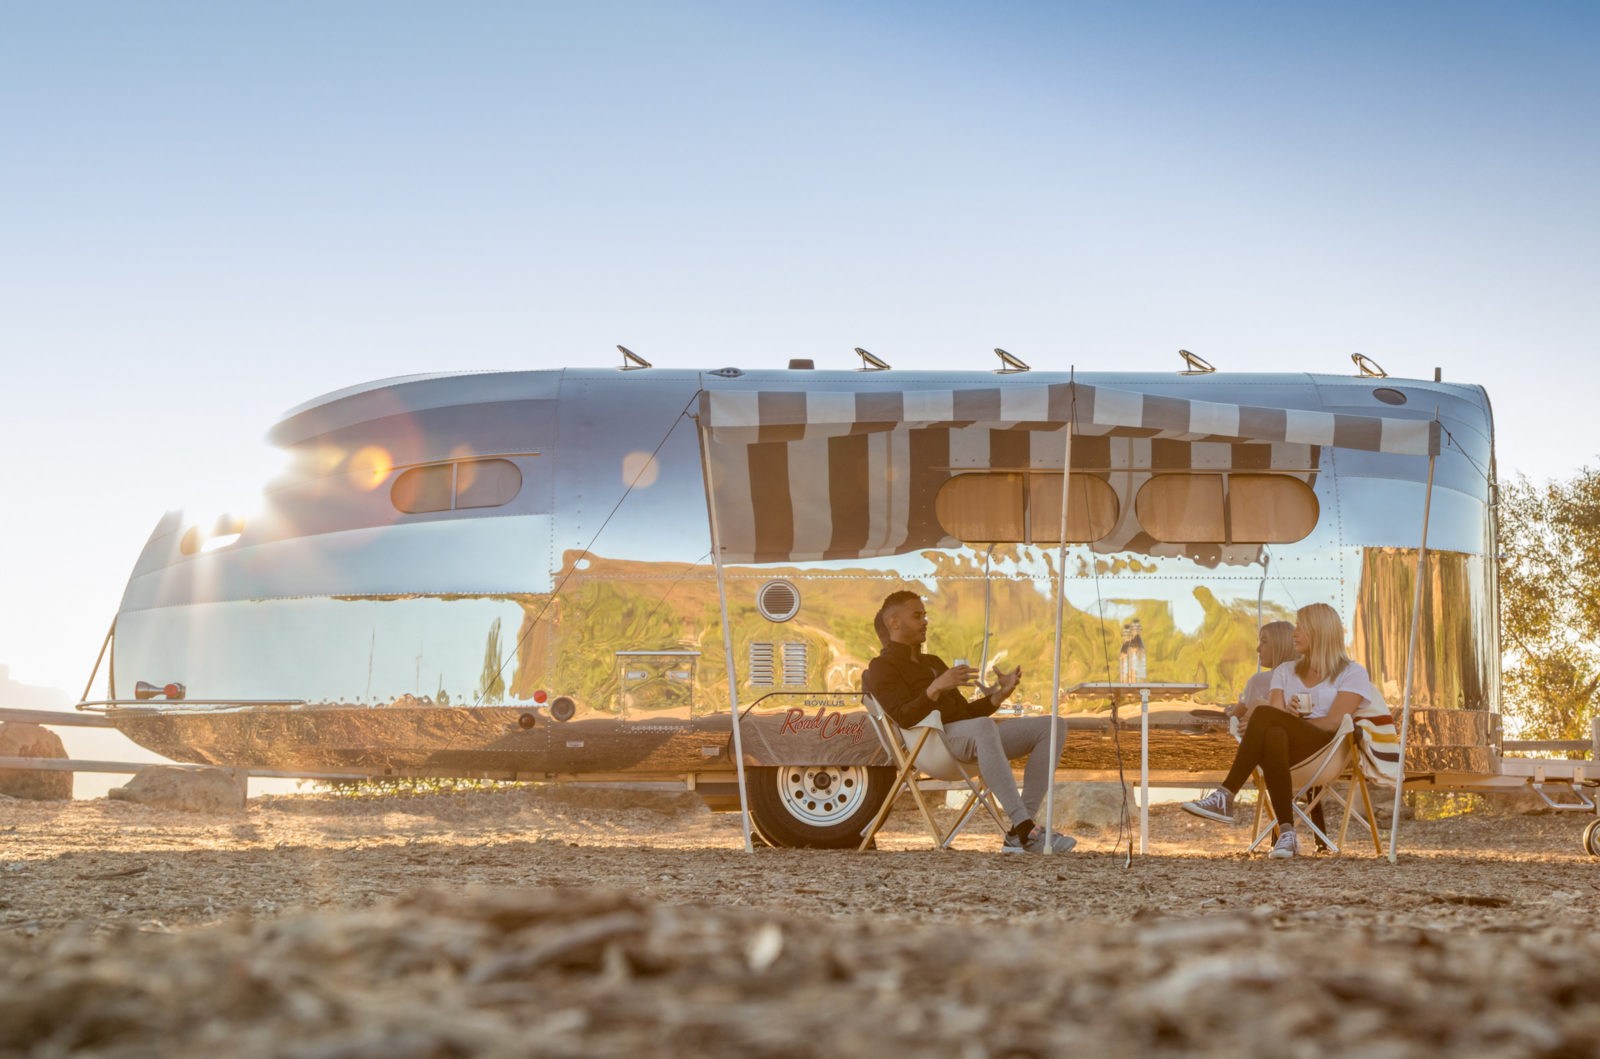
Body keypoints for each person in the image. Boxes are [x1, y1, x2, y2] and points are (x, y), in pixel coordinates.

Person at [863, 590, 1075, 854]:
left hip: (964, 738)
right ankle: (1025, 828)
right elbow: (903, 717)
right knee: (984, 728)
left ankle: (1021, 830)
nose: (925, 621)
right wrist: (935, 688)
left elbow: (965, 715)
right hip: (931, 747)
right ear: (893, 622)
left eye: (925, 615)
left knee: (1053, 726)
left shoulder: (933, 662)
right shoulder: (881, 666)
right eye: (917, 615)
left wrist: (998, 696)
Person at [1181, 603, 1374, 859]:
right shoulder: (1285, 671)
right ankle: (1286, 833)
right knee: (1273, 735)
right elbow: (1275, 718)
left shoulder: (1352, 672)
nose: (1295, 633)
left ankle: (1225, 796)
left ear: (1320, 631)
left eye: (1301, 628)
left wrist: (1290, 720)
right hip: (1285, 753)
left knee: (1265, 718)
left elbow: (1333, 722)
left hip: (1326, 752)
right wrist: (1289, 717)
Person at [1227, 621, 1298, 721]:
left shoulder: (1260, 680)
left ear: (1280, 645)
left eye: (1264, 642)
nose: (1258, 649)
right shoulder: (1306, 678)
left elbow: (1234, 716)